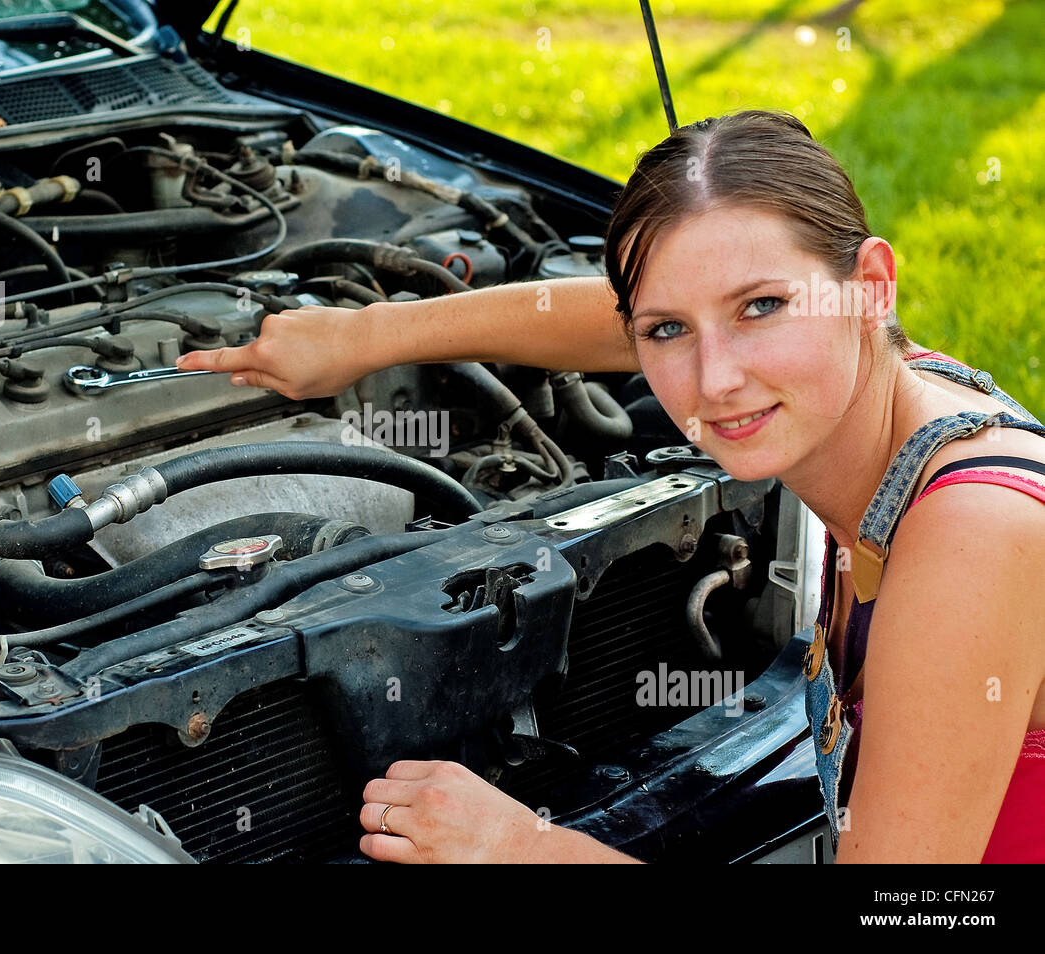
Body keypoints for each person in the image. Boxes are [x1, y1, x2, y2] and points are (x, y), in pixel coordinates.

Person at [176, 109, 1045, 863]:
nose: (714, 380)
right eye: (669, 331)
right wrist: (367, 338)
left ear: (872, 286)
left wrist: (528, 850)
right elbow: (625, 313)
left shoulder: (971, 536)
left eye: (761, 308)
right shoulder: (907, 383)